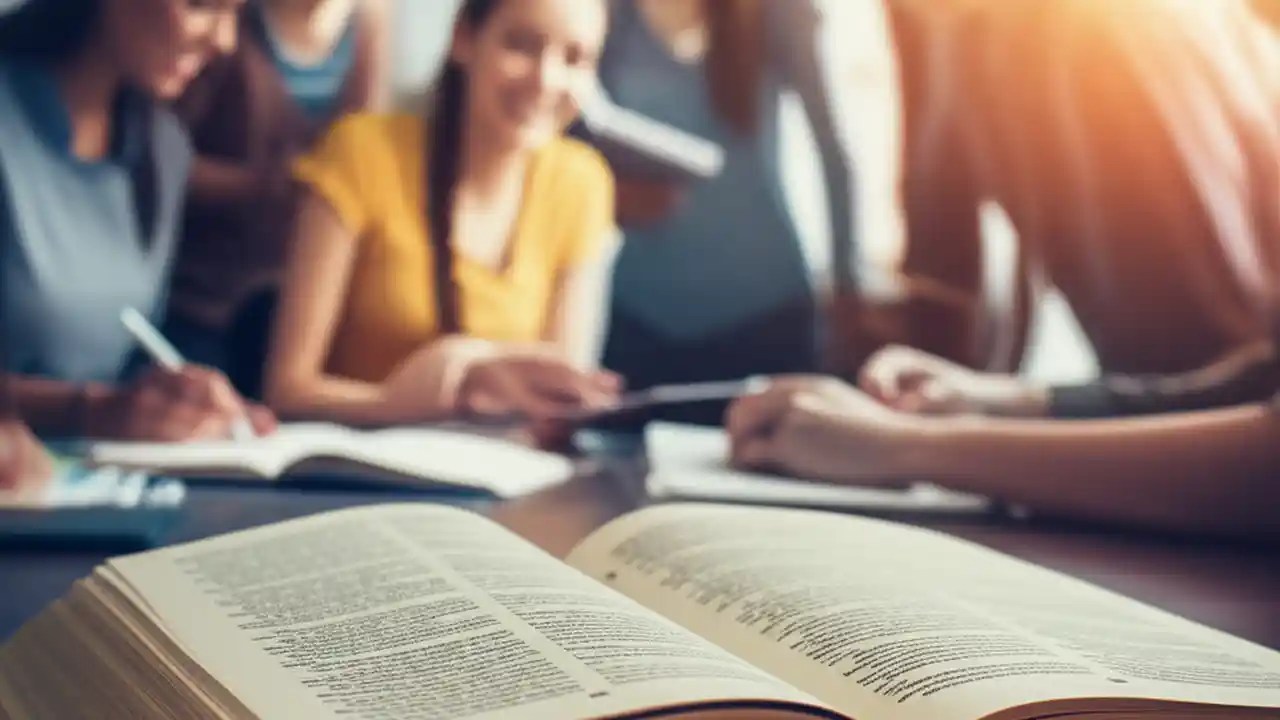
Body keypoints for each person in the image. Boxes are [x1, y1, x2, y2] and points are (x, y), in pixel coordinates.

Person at [871, 0, 1280, 419]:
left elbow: (1216, 389)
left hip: (1187, 430)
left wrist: (922, 445)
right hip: (1160, 407)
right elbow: (942, 223)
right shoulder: (969, 37)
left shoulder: (1097, 49)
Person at [264, 0, 622, 425]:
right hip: (347, 471)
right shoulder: (361, 154)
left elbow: (561, 397)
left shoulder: (582, 183)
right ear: (464, 39)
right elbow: (286, 388)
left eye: (575, 59)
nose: (546, 79)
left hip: (498, 474)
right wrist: (401, 402)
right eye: (522, 45)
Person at [0, 0, 276, 441]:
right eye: (202, 4)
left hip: (98, 480)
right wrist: (87, 411)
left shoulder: (161, 150)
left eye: (237, 13)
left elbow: (126, 359)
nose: (224, 42)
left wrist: (185, 404)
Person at [597, 0, 866, 415]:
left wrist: (848, 285)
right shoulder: (606, 13)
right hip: (634, 316)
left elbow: (834, 151)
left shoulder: (781, 12)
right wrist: (613, 195)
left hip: (764, 315)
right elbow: (564, 139)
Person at [164, 0, 392, 384]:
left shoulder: (370, 23)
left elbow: (361, 147)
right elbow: (157, 157)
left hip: (298, 310)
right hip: (202, 301)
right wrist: (257, 185)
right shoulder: (230, 18)